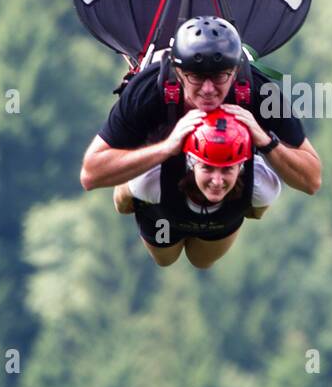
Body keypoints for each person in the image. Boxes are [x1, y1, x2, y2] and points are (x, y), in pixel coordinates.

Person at [79, 16, 321, 198]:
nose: (207, 89)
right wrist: (166, 148)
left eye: (219, 77)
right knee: (134, 200)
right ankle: (130, 187)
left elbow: (312, 180)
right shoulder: (149, 89)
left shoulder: (257, 90)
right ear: (179, 72)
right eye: (196, 77)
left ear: (236, 71)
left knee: (260, 198)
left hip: (223, 181)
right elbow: (90, 175)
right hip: (160, 160)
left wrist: (266, 141)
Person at [113, 109, 281, 268]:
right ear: (192, 164)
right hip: (162, 219)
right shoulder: (153, 177)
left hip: (216, 224)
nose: (217, 181)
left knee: (201, 261)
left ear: (241, 167)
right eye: (208, 168)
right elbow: (122, 203)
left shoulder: (261, 184)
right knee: (166, 260)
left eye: (227, 169)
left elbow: (255, 212)